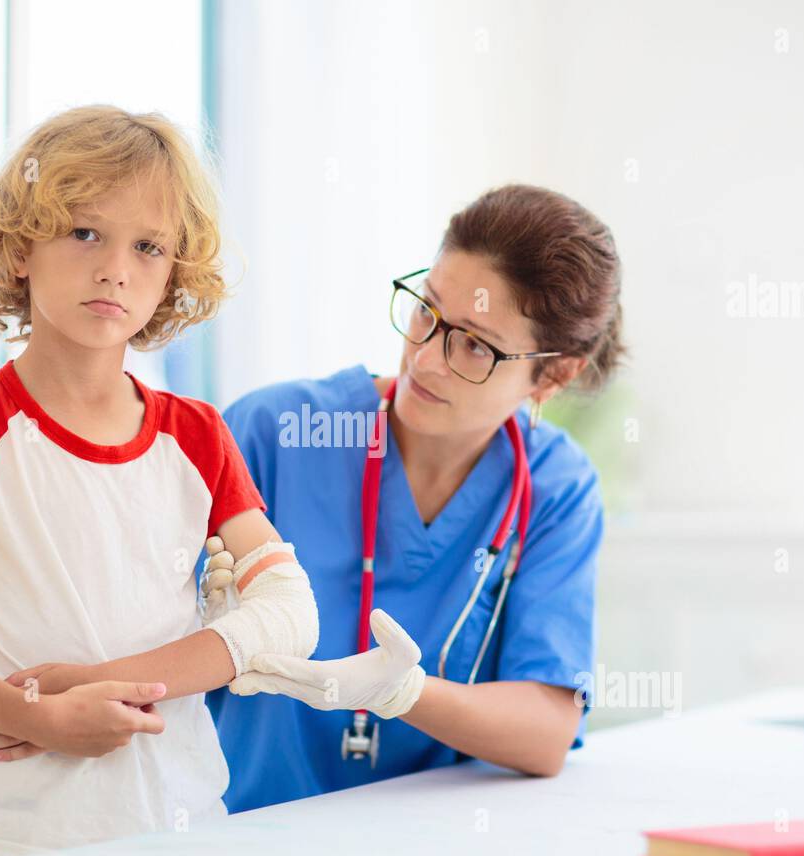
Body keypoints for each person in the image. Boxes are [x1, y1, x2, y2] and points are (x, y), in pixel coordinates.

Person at [0, 105, 320, 856]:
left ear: (173, 276)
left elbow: (291, 616)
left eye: (149, 247)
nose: (116, 267)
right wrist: (39, 719)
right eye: (85, 232)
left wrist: (100, 686)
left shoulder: (198, 435)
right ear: (21, 249)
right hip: (4, 838)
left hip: (178, 823)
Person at [205, 184, 627, 812]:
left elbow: (545, 732)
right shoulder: (273, 432)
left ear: (555, 372)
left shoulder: (556, 488)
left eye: (476, 345)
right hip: (241, 833)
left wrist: (401, 693)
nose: (425, 359)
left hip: (435, 839)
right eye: (426, 311)